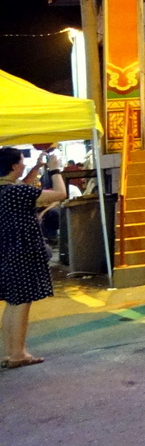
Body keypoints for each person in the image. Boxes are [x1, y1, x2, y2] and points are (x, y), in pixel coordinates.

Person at [1, 147, 67, 369]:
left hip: (7, 250)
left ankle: (11, 352)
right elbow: (60, 194)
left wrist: (38, 167)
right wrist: (55, 169)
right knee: (22, 302)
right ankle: (18, 354)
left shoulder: (7, 190)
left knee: (13, 302)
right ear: (13, 166)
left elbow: (22, 186)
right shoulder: (18, 193)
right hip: (23, 251)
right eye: (21, 161)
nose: (23, 165)